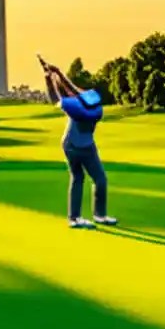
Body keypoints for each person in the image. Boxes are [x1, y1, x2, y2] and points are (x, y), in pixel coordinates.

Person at [41, 57, 117, 230]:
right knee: (93, 179)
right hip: (79, 146)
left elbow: (57, 98)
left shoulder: (78, 110)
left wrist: (50, 77)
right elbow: (73, 92)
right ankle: (95, 216)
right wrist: (57, 74)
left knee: (84, 178)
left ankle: (79, 218)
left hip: (73, 144)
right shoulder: (95, 109)